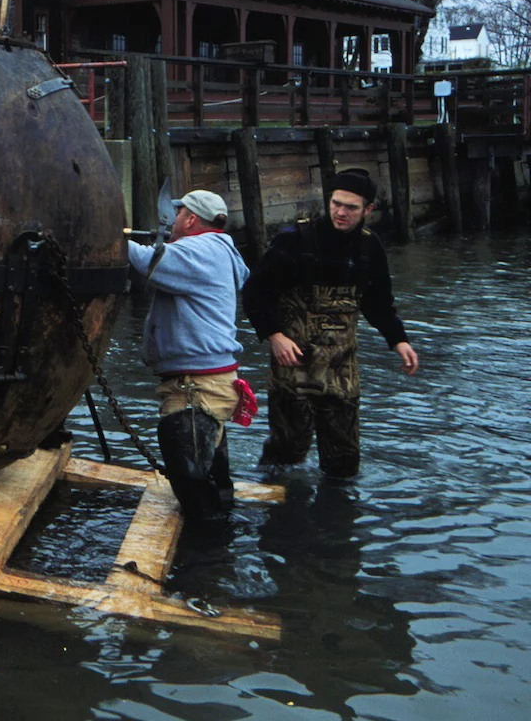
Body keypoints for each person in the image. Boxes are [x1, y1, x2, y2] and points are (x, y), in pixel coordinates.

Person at [242, 168, 420, 478]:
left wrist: (399, 340)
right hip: (294, 364)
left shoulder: (370, 247)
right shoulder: (294, 240)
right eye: (336, 203)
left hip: (341, 368)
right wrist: (274, 335)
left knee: (345, 462)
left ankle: (339, 519)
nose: (340, 212)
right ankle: (279, 513)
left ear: (368, 210)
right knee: (286, 455)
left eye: (351, 207)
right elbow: (256, 292)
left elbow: (378, 302)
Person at [126, 189, 252, 520]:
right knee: (213, 481)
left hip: (196, 389)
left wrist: (106, 234)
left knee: (193, 483)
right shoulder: (220, 251)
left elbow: (147, 260)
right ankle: (221, 553)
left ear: (191, 219)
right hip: (214, 382)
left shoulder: (199, 251)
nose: (174, 220)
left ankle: (205, 561)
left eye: (179, 214)